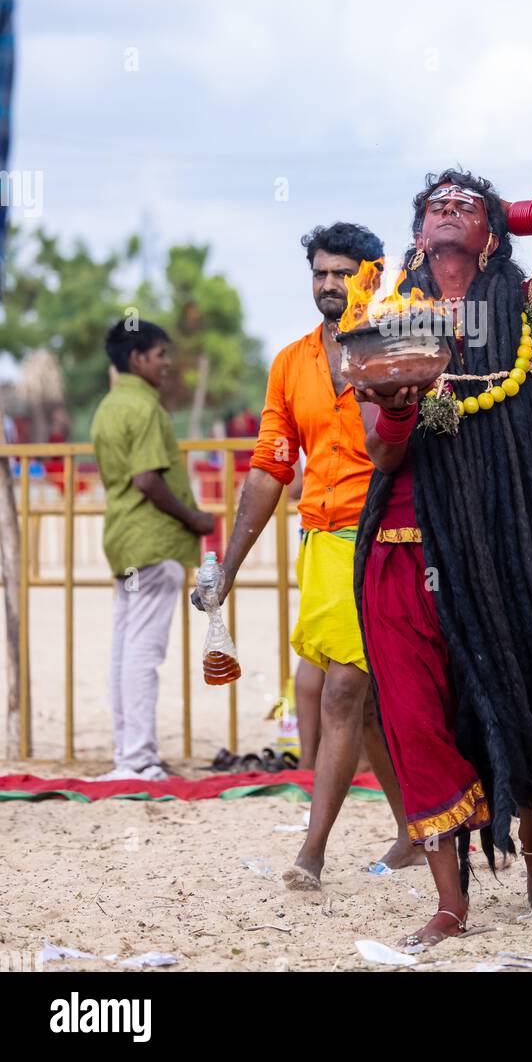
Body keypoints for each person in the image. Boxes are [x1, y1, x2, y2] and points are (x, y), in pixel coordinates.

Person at [354, 171, 532, 949]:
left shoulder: (522, 306)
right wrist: (397, 411)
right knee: (415, 715)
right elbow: (380, 457)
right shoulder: (388, 317)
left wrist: (506, 209)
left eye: (465, 204)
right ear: (417, 236)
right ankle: (449, 902)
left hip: (500, 546)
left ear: (490, 236)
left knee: (529, 697)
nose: (448, 209)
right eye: (435, 205)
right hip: (405, 545)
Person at [192, 221, 419, 887]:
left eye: (342, 272)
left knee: (343, 690)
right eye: (319, 272)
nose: (328, 283)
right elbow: (270, 467)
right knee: (359, 700)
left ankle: (310, 856)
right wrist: (228, 567)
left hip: (390, 541)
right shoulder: (290, 363)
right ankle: (413, 833)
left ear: (371, 275)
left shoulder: (399, 348)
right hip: (321, 543)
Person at [91, 319, 215, 780]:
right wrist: (194, 519)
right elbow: (146, 479)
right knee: (143, 651)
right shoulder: (145, 407)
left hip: (124, 539)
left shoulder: (108, 406)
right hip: (153, 541)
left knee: (126, 647)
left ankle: (128, 753)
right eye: (160, 354)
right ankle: (138, 759)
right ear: (137, 358)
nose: (166, 363)